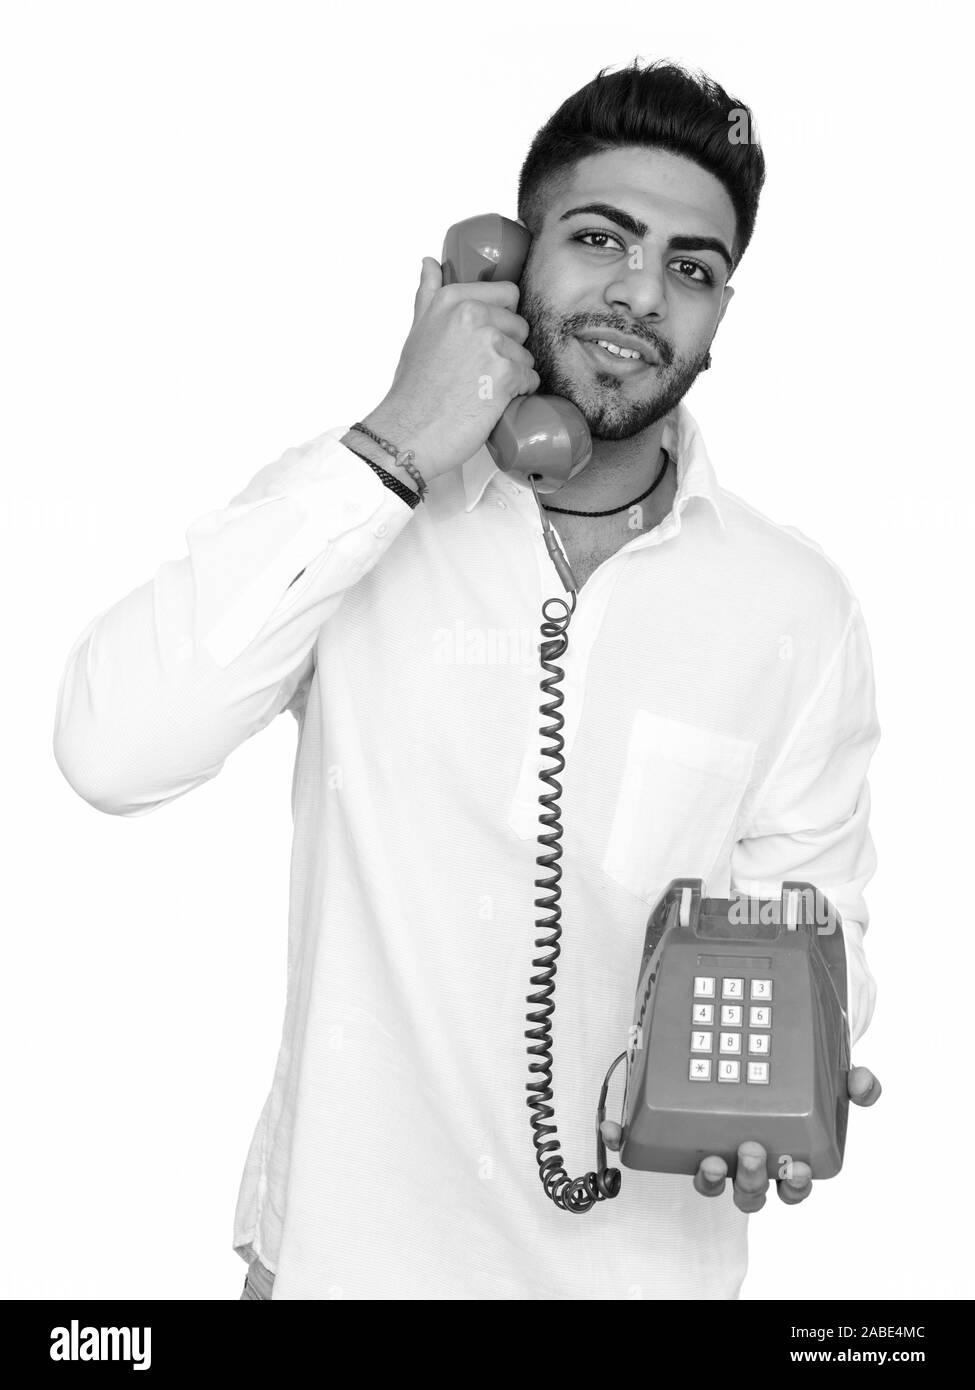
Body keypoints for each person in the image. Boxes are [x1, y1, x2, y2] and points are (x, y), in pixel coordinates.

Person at [53, 57, 882, 1301]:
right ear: (499, 263)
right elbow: (111, 748)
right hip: (338, 1266)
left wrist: (810, 1060)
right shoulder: (352, 511)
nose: (643, 292)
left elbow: (820, 922)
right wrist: (391, 445)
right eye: (601, 238)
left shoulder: (793, 607)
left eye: (693, 268)